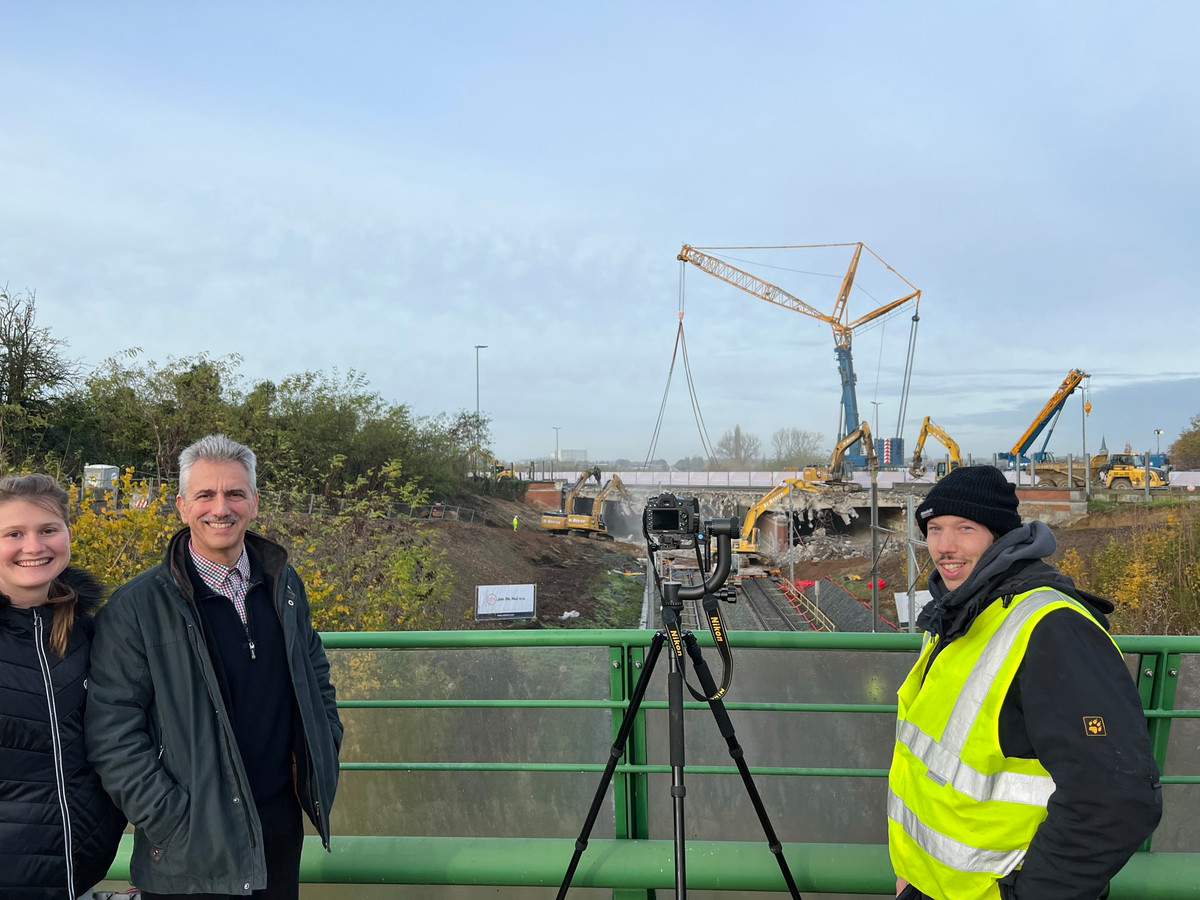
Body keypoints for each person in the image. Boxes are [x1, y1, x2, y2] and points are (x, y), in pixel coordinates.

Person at [86, 435, 343, 899]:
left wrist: (324, 748)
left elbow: (315, 676)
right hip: (190, 844)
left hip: (278, 832)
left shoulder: (284, 585)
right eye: (205, 495)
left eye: (235, 494)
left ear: (255, 503)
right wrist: (171, 817)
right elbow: (112, 732)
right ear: (182, 506)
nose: (220, 508)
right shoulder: (137, 607)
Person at [888, 465, 1162, 900]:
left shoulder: (1051, 628)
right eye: (935, 528)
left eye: (965, 528)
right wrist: (914, 876)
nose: (945, 547)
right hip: (932, 887)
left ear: (999, 536)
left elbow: (1116, 797)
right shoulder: (960, 614)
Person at [0, 473, 126, 899]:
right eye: (13, 533)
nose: (34, 547)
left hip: (80, 870)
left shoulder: (94, 635)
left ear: (68, 534)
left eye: (48, 530)